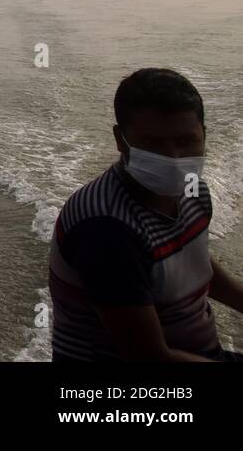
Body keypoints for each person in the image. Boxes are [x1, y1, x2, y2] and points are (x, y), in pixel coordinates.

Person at [49, 67, 243, 360]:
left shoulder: (194, 192)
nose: (173, 159)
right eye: (152, 144)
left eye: (185, 141)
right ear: (120, 140)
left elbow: (192, 264)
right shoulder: (105, 229)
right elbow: (148, 356)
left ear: (204, 135)